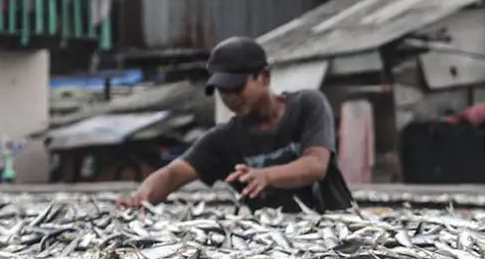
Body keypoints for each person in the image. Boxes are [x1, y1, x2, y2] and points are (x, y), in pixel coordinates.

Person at [118, 37, 355, 212]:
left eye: (236, 87)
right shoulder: (223, 140)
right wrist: (141, 198)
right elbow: (173, 174)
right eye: (223, 91)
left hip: (333, 227)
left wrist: (266, 176)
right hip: (273, 244)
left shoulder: (307, 105)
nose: (230, 97)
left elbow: (316, 164)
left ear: (264, 77)